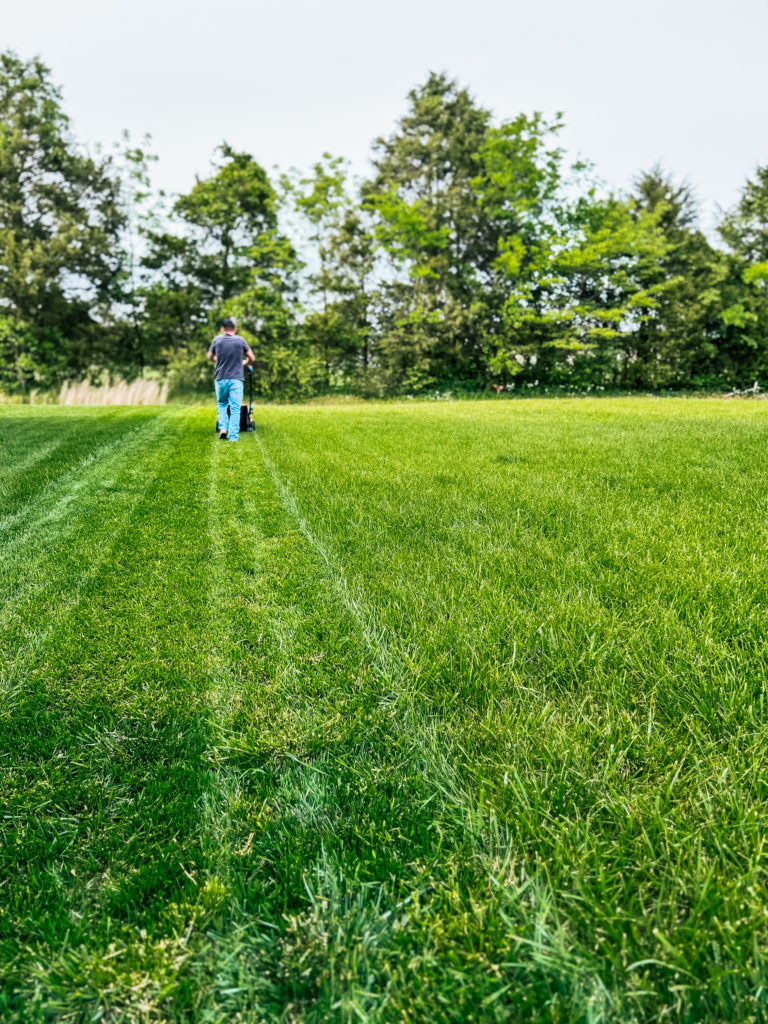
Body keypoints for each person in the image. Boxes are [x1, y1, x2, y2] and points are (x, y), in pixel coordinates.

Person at [207, 318, 255, 442]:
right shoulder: (240, 340)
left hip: (221, 378)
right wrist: (245, 362)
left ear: (223, 329)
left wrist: (218, 361)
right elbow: (252, 357)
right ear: (235, 329)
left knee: (222, 404)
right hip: (236, 379)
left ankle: (223, 428)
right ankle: (233, 437)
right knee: (235, 408)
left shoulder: (217, 340)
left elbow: (210, 356)